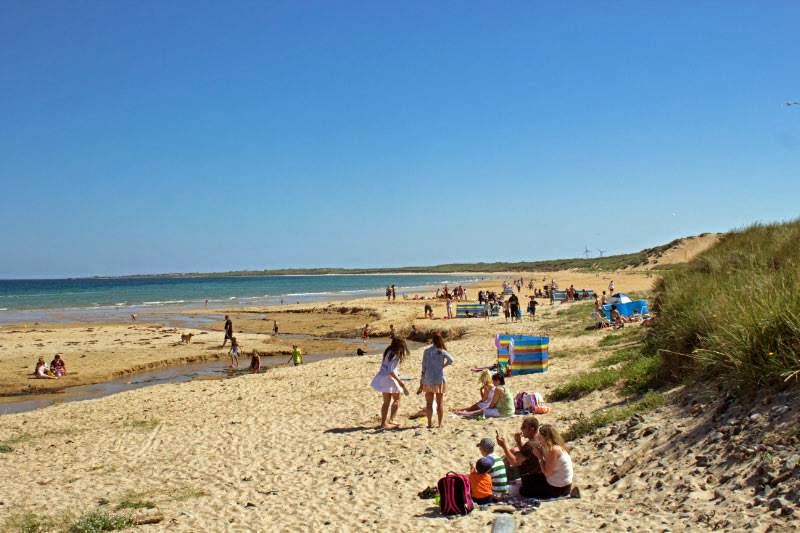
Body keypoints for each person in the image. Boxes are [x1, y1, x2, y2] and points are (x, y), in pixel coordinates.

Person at [517, 424, 573, 499]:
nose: (539, 440)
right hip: (563, 484)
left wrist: (539, 457)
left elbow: (547, 473)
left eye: (540, 437)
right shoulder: (557, 447)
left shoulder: (554, 450)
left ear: (546, 438)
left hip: (558, 488)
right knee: (528, 479)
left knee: (524, 491)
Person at [370, 338, 410, 429]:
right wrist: (400, 383)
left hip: (382, 377)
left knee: (386, 402)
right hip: (390, 378)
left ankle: (383, 423)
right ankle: (390, 420)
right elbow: (391, 371)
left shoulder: (388, 351)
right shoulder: (395, 355)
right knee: (397, 399)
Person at [417, 333, 454, 428]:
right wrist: (442, 366)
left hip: (428, 379)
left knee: (429, 403)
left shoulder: (427, 351)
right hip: (439, 379)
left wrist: (421, 381)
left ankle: (429, 424)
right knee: (440, 403)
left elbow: (423, 367)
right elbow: (451, 360)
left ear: (432, 340)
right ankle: (440, 424)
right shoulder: (441, 351)